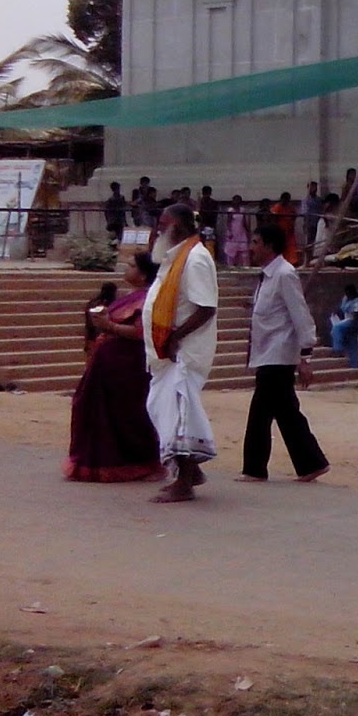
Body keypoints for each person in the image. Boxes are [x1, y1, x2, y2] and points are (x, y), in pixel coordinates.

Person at [238, 223, 330, 483]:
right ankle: (311, 463)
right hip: (267, 352)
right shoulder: (266, 277)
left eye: (255, 242)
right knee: (285, 412)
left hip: (278, 355)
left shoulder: (284, 275)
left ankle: (255, 469)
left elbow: (300, 315)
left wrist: (305, 356)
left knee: (263, 412)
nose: (251, 248)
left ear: (268, 245)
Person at [142, 204, 219, 503]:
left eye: (164, 223)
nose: (159, 228)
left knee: (178, 415)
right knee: (160, 408)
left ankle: (184, 481)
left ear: (180, 226)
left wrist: (176, 336)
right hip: (168, 353)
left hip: (185, 352)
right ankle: (190, 471)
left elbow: (206, 307)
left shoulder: (196, 258)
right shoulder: (175, 257)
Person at [66, 255, 164, 483]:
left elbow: (141, 332)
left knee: (128, 417)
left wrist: (109, 326)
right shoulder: (131, 297)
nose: (126, 269)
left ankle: (141, 464)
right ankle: (98, 463)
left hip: (127, 367)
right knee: (94, 412)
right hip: (108, 365)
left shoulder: (149, 298)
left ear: (142, 273)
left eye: (131, 266)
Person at [329, 283, 358, 369]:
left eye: (349, 292)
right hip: (346, 320)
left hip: (354, 322)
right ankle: (354, 365)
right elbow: (341, 309)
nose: (347, 294)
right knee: (352, 344)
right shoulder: (345, 299)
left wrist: (353, 326)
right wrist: (335, 313)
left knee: (337, 328)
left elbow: (356, 315)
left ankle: (338, 349)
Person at [221, 195, 251, 267]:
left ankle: (245, 267)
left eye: (238, 200)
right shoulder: (230, 210)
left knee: (244, 251)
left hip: (241, 232)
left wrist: (248, 231)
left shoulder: (242, 210)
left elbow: (244, 222)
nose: (237, 202)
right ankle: (230, 266)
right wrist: (230, 232)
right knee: (231, 251)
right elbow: (228, 222)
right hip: (233, 232)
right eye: (235, 200)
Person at [297, 180, 323, 261]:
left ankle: (316, 259)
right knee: (308, 242)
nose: (314, 189)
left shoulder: (319, 200)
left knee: (318, 241)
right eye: (312, 187)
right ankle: (307, 260)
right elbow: (303, 212)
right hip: (309, 224)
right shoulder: (305, 200)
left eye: (315, 187)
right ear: (308, 188)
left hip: (318, 223)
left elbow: (322, 210)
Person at [271, 192, 299, 263]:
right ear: (282, 199)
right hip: (280, 231)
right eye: (285, 199)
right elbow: (273, 218)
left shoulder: (290, 207)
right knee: (280, 247)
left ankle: (292, 261)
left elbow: (294, 215)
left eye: (288, 199)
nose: (286, 201)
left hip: (289, 231)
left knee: (291, 247)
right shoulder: (277, 207)